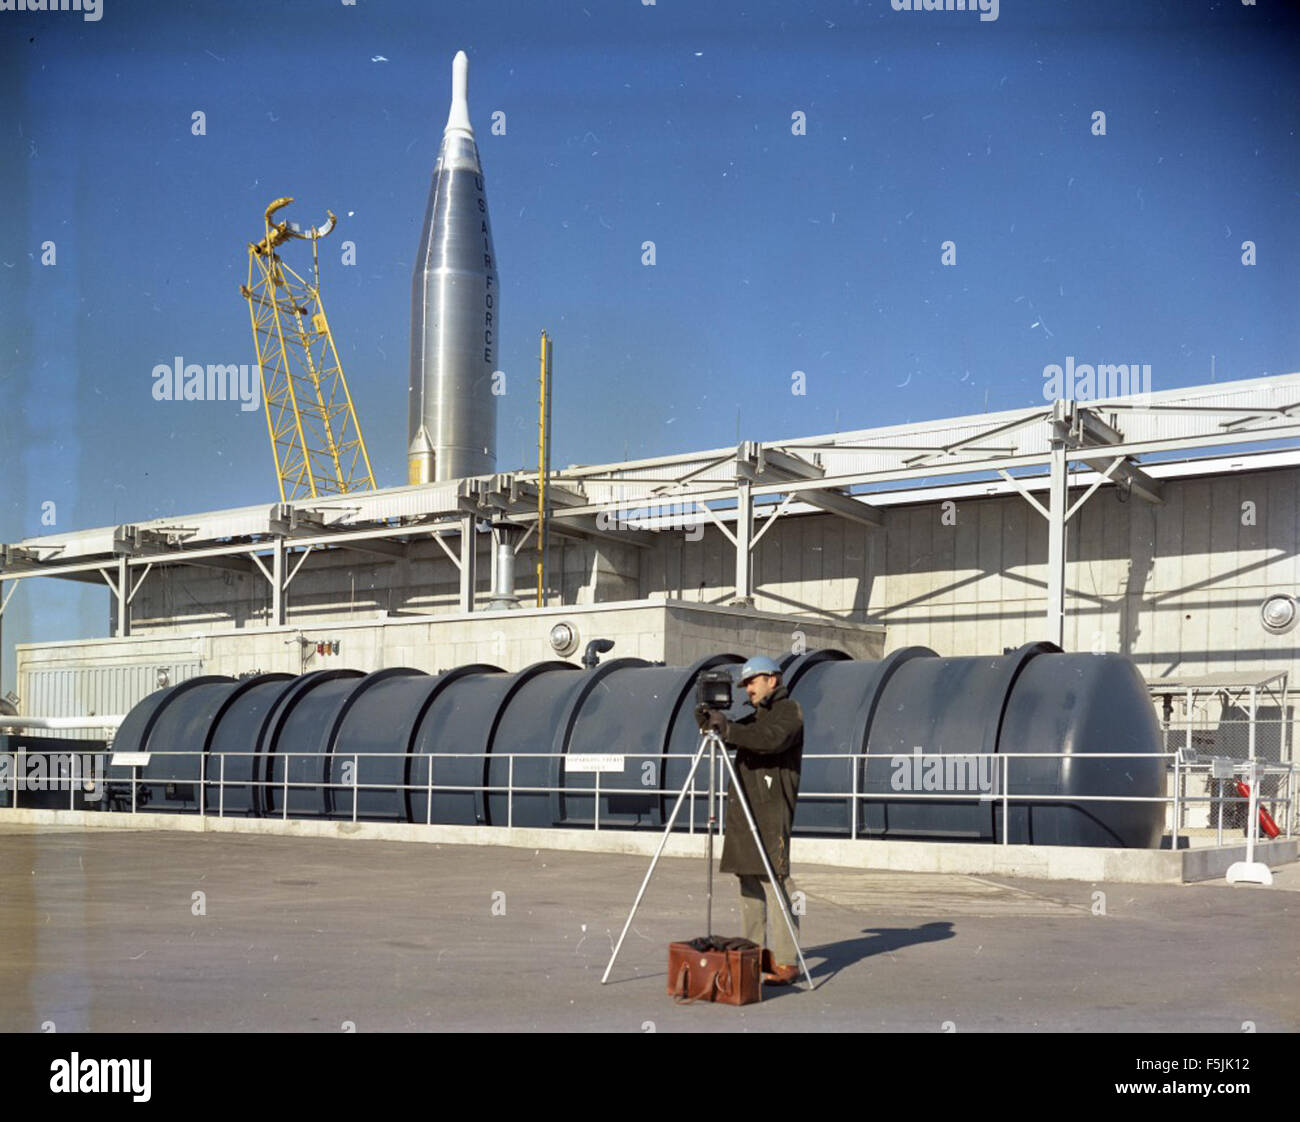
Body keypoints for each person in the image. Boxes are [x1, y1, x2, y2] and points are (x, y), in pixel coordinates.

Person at [694, 655, 804, 985]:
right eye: (745, 684)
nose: (748, 689)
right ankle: (753, 955)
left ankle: (787, 961)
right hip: (747, 809)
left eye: (752, 681)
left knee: (777, 881)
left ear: (773, 679)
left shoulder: (789, 712)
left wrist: (729, 728)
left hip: (770, 809)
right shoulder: (756, 717)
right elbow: (744, 733)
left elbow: (771, 740)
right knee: (749, 882)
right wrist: (710, 722)